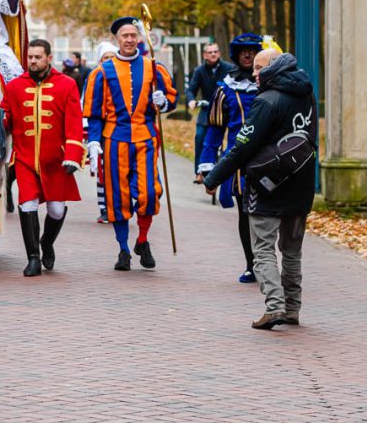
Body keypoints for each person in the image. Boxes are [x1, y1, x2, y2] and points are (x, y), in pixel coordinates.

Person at [202, 50, 317, 330]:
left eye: (258, 68)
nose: (254, 73)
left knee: (262, 248)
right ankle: (292, 308)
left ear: (273, 68)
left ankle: (274, 307)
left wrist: (214, 177)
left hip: (268, 184)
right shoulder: (307, 95)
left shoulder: (265, 101)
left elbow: (243, 145)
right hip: (301, 182)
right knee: (292, 251)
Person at [83, 17, 176, 271]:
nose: (129, 39)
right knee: (117, 197)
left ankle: (142, 240)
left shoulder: (153, 67)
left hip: (145, 138)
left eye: (133, 35)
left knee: (149, 193)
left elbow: (170, 97)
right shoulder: (102, 72)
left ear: (139, 38)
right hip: (114, 140)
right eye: (125, 36)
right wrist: (93, 141)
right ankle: (123, 249)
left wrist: (163, 101)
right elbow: (93, 112)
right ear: (117, 40)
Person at [0, 39, 84, 276]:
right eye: (30, 57)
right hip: (24, 159)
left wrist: (73, 155)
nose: (32, 61)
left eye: (37, 57)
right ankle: (33, 258)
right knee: (27, 204)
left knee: (56, 210)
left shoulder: (67, 85)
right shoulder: (14, 86)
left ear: (49, 58)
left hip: (56, 161)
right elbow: (7, 116)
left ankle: (46, 243)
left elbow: (74, 123)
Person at [197, 33, 263, 283]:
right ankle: (251, 264)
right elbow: (214, 131)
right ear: (235, 55)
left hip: (268, 158)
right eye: (242, 51)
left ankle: (267, 260)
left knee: (267, 213)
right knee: (245, 212)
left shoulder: (270, 84)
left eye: (252, 50)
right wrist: (207, 163)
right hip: (238, 162)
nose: (247, 55)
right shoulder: (226, 88)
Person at [186, 42, 235, 183]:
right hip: (207, 109)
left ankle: (232, 171)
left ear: (219, 53)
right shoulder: (199, 71)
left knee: (235, 137)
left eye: (215, 51)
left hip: (227, 110)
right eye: (210, 52)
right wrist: (191, 100)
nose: (213, 54)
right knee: (200, 136)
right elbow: (191, 90)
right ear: (204, 55)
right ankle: (199, 172)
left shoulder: (229, 68)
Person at [89, 41, 120, 224]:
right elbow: (89, 104)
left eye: (112, 57)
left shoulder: (122, 75)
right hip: (100, 130)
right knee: (102, 171)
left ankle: (117, 205)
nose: (109, 61)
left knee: (118, 170)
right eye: (106, 58)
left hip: (118, 128)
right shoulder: (95, 76)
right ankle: (104, 208)